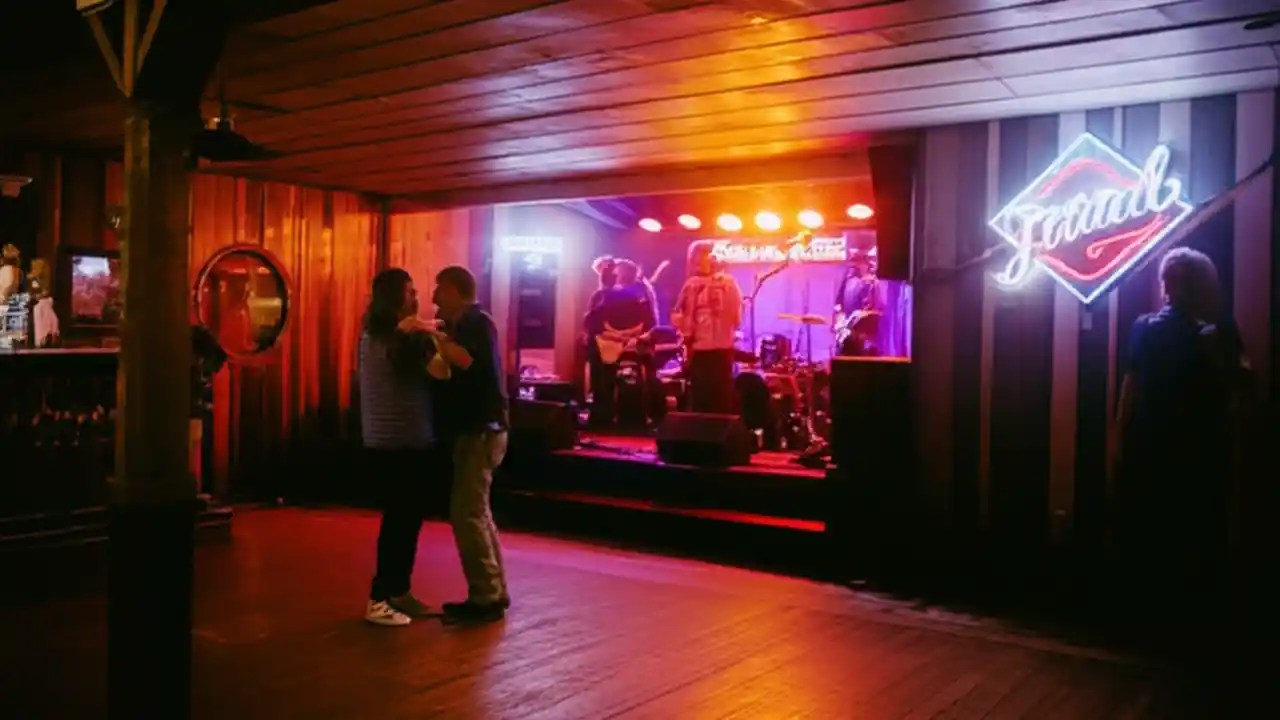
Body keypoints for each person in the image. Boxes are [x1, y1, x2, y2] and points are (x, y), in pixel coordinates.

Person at [1114, 247, 1247, 633]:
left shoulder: (1202, 330)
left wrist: (1119, 437)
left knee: (1171, 528)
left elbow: (1130, 387)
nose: (1170, 289)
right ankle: (1176, 617)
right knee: (1179, 528)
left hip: (1174, 442)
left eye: (1175, 281)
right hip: (1185, 445)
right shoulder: (1195, 329)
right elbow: (1131, 385)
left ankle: (1168, 617)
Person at [421, 265, 511, 623]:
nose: (433, 297)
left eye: (439, 289)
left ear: (456, 291)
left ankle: (485, 596)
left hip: (480, 430)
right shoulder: (471, 324)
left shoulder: (476, 322)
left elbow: (465, 360)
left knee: (467, 513)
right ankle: (493, 590)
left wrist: (431, 336)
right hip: (482, 429)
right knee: (477, 512)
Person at [358, 268, 438, 627]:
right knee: (400, 523)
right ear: (395, 297)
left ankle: (398, 591)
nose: (416, 296)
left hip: (384, 439)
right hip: (401, 440)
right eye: (410, 291)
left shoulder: (371, 334)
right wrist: (425, 335)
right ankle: (381, 597)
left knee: (403, 520)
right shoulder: (399, 339)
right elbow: (436, 373)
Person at [671, 243, 742, 413]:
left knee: (717, 397)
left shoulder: (727, 283)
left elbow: (735, 315)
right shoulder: (692, 285)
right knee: (705, 396)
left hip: (717, 349)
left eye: (701, 257)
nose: (696, 262)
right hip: (702, 349)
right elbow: (678, 313)